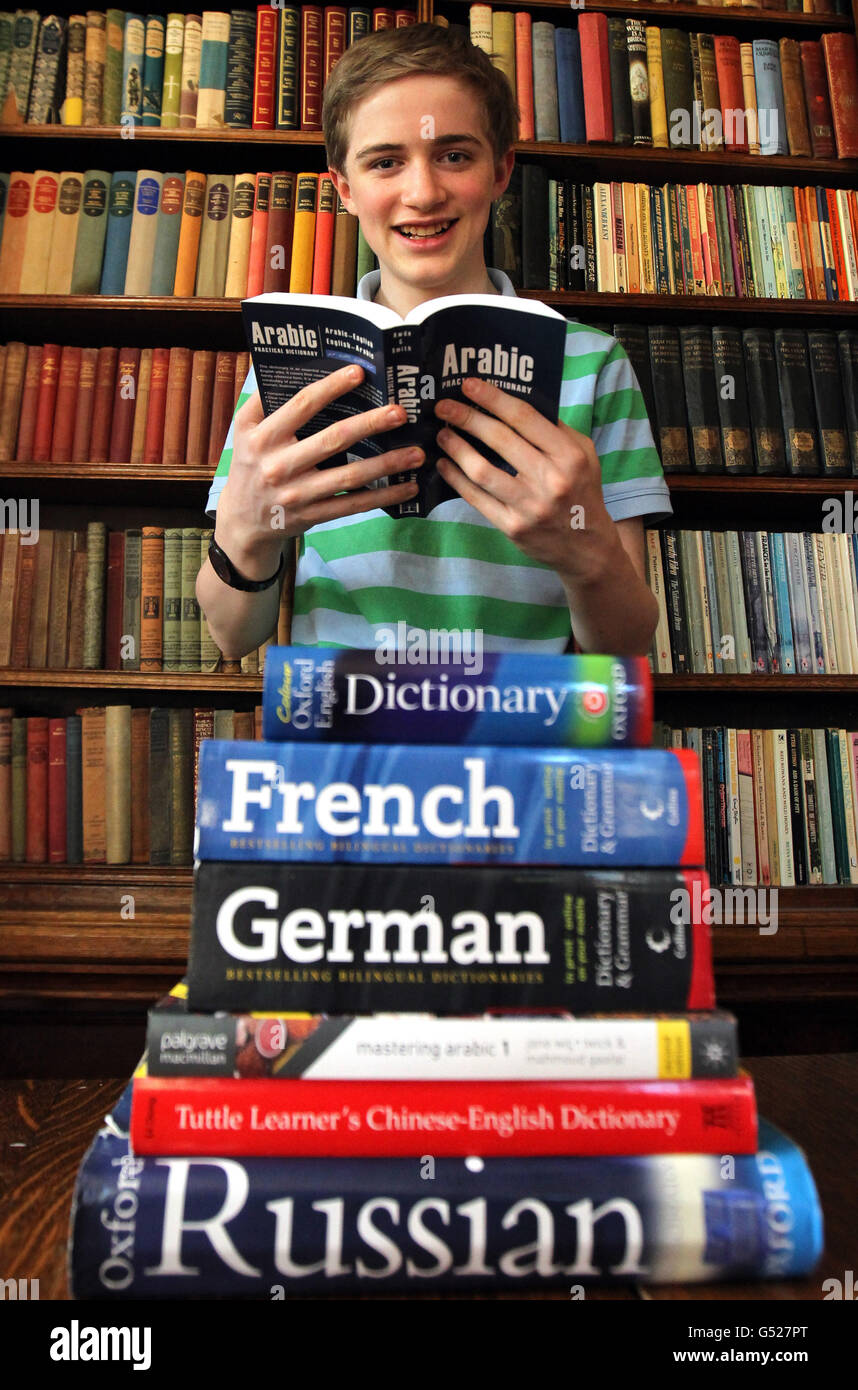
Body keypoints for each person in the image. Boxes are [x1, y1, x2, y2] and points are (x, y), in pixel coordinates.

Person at [197, 23, 671, 660]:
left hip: (521, 738)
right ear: (344, 189)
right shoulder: (291, 365)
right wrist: (247, 534)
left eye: (454, 155)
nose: (422, 194)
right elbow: (232, 635)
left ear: (501, 171)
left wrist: (585, 552)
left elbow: (626, 647)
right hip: (349, 745)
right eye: (385, 161)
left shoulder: (591, 362)